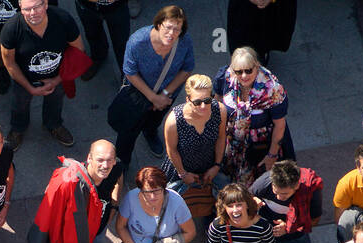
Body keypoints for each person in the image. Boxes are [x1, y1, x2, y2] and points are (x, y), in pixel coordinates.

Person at [111, 7, 193, 170]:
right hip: (138, 94)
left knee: (154, 119)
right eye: (168, 27)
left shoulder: (184, 41)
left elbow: (187, 68)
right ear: (158, 24)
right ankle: (122, 161)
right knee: (128, 131)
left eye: (177, 29)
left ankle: (150, 133)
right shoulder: (138, 41)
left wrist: (164, 94)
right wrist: (153, 97)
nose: (171, 33)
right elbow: (130, 72)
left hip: (167, 93)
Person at [0, 0, 84, 150]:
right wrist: (29, 87)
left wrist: (57, 80)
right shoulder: (11, 29)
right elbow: (10, 63)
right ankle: (18, 129)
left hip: (58, 74)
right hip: (24, 78)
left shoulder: (63, 19)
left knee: (56, 100)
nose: (33, 13)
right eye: (27, 9)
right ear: (20, 7)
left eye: (37, 6)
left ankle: (54, 125)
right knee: (19, 104)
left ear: (45, 4)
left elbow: (78, 51)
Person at [214, 46, 290, 190]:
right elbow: (217, 104)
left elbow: (280, 125)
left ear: (257, 66)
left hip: (259, 148)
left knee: (255, 187)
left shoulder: (272, 90)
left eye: (248, 70)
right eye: (239, 71)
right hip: (231, 142)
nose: (244, 76)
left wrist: (272, 155)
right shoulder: (225, 77)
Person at [160, 72, 226, 228]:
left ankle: (210, 220)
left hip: (209, 162)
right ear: (188, 99)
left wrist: (216, 166)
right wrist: (183, 174)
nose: (203, 106)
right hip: (183, 166)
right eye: (197, 102)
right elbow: (172, 151)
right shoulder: (174, 120)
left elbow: (221, 138)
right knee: (172, 202)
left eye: (207, 100)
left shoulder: (220, 110)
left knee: (219, 196)